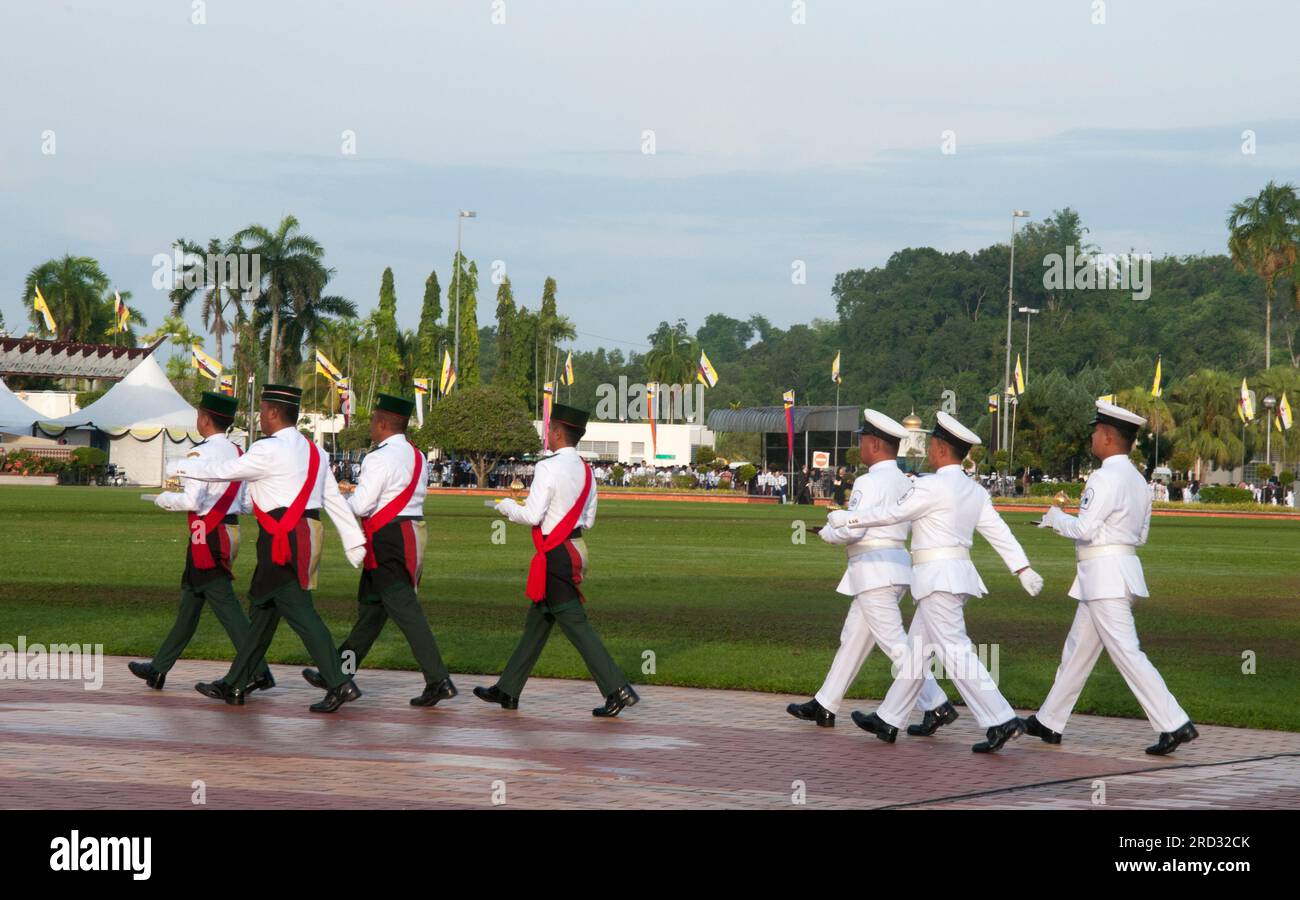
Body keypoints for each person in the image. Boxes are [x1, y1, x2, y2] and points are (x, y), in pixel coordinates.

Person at [841, 411, 1045, 752]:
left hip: (937, 579)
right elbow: (999, 532)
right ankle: (890, 718)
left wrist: (851, 518)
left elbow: (893, 513)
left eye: (932, 445)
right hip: (957, 577)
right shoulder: (973, 490)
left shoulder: (930, 486)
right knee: (919, 652)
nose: (929, 451)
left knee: (955, 650)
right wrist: (1021, 568)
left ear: (939, 448)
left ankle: (1000, 719)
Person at [171, 384, 368, 713]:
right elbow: (333, 499)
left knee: (300, 611)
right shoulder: (315, 451)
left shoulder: (267, 449)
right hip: (305, 533)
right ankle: (236, 683)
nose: (260, 417)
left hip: (280, 539)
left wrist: (180, 467)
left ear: (275, 413)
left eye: (262, 410)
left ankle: (340, 682)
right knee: (263, 611)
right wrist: (354, 542)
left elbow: (223, 473)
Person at [1024, 400, 1197, 755]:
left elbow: (1084, 528)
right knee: (1077, 651)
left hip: (1104, 577)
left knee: (1127, 652)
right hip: (1116, 573)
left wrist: (1054, 517)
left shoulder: (1104, 477)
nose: (1092, 436)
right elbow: (1141, 535)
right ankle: (1049, 720)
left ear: (1106, 436)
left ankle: (1174, 722)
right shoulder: (1138, 480)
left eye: (1095, 431)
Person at [787, 410, 953, 731]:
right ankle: (825, 703)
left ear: (874, 444)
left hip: (873, 570)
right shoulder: (906, 482)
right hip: (894, 567)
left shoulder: (868, 481)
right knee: (854, 638)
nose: (860, 447)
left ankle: (937, 704)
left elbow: (854, 529)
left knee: (894, 644)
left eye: (862, 441)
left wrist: (827, 532)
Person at [475, 403, 639, 717]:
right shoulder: (587, 470)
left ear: (559, 433)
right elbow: (588, 518)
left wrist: (505, 506)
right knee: (538, 623)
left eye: (549, 429)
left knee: (576, 625)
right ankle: (508, 689)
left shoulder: (548, 467)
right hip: (575, 547)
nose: (546, 433)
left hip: (556, 555)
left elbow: (532, 515)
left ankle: (618, 689)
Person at [301, 393, 457, 708]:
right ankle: (339, 671)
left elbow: (362, 504)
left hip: (388, 538)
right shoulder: (417, 455)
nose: (371, 426)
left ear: (383, 423)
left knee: (406, 612)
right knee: (371, 614)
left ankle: (439, 679)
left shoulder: (378, 458)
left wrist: (332, 500)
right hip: (409, 532)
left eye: (373, 420)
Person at [128, 392, 273, 693]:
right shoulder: (237, 452)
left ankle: (259, 670)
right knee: (191, 603)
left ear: (205, 419)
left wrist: (161, 499)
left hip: (207, 536)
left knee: (225, 605)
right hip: (228, 531)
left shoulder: (198, 454)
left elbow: (192, 499)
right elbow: (246, 504)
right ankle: (158, 668)